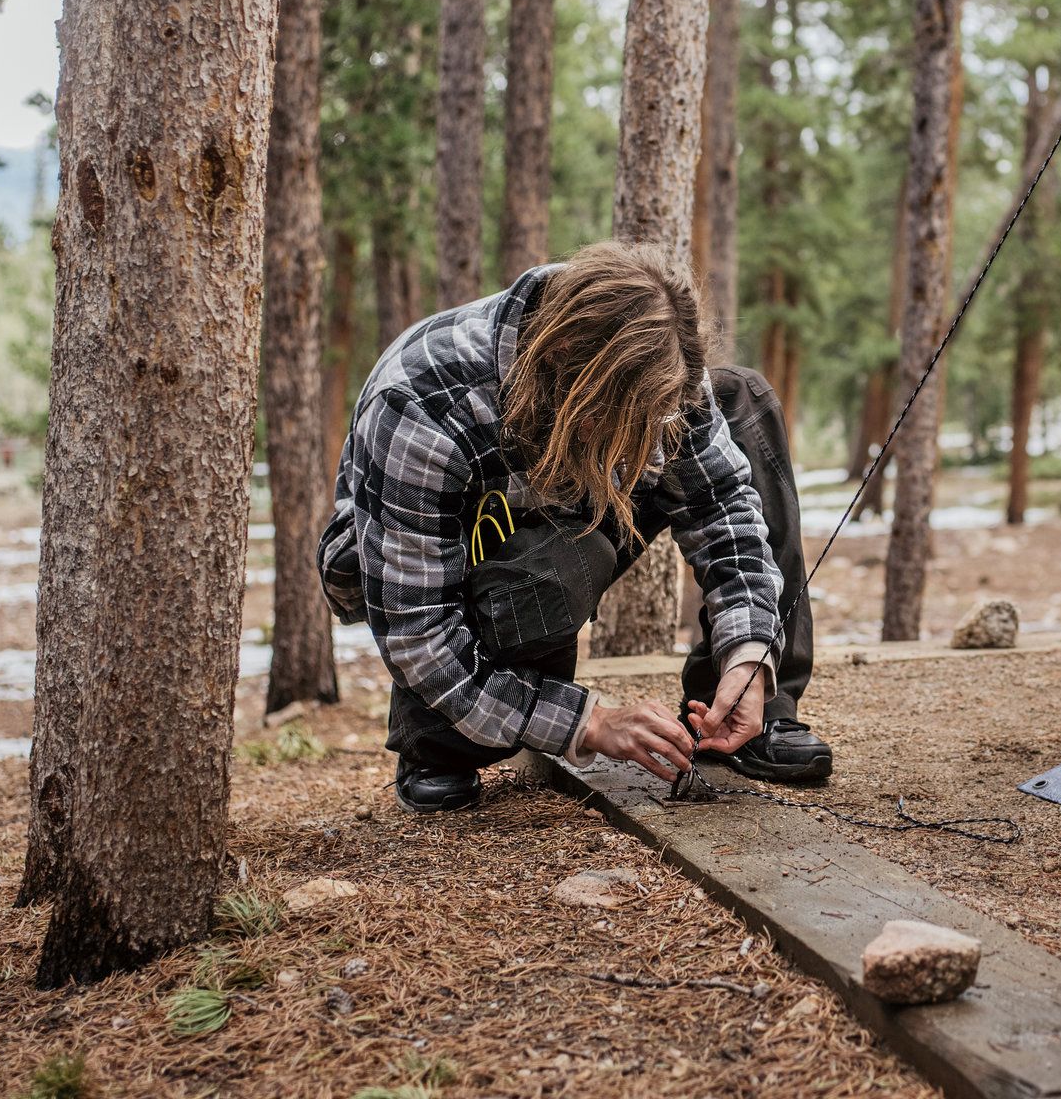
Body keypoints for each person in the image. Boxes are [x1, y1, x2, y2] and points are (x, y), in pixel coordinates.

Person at [317, 240, 832, 813]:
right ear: (563, 359)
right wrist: (590, 723)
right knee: (544, 582)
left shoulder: (656, 351)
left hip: (562, 488)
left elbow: (722, 505)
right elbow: (421, 634)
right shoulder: (423, 403)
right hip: (425, 558)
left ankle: (747, 705)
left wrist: (750, 649)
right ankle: (436, 742)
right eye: (624, 421)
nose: (647, 453)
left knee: (744, 401)